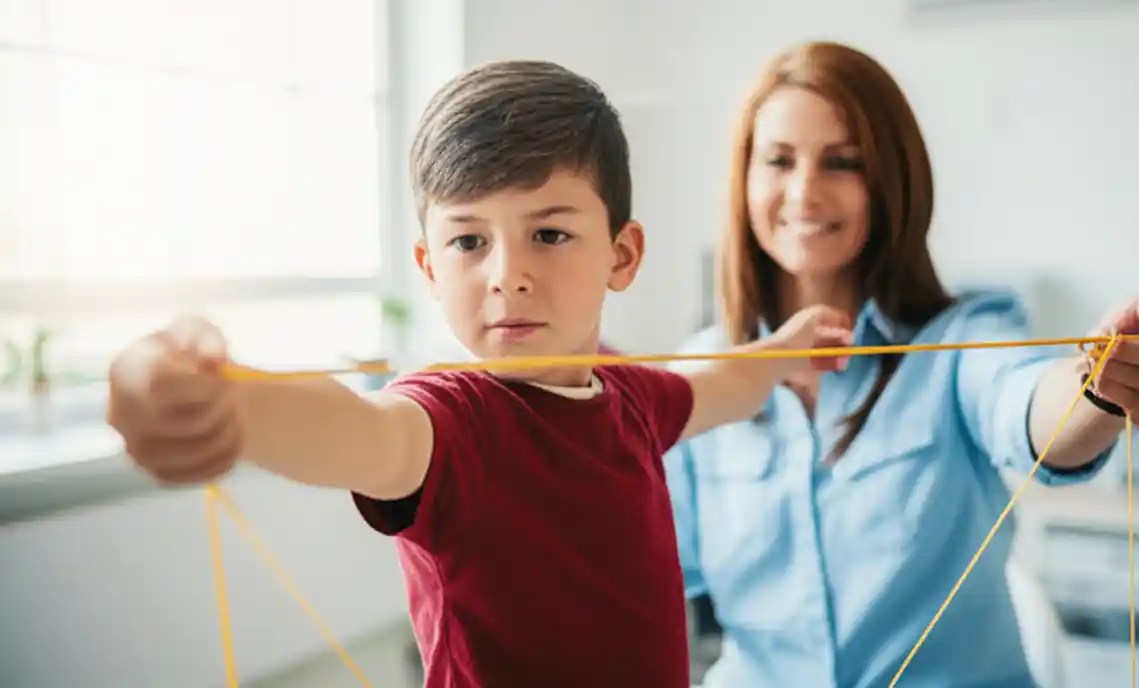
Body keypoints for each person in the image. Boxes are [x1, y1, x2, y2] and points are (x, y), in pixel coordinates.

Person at [105, 60, 854, 688]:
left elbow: (723, 388)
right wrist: (227, 400)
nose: (507, 275)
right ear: (429, 265)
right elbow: (358, 431)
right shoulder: (451, 423)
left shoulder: (627, 391)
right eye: (469, 241)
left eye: (550, 233)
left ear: (621, 255)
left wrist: (783, 352)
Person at [664, 41, 1139, 688]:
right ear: (744, 177)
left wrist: (1100, 386)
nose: (804, 192)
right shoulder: (697, 371)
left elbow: (1031, 404)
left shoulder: (962, 342)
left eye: (842, 163)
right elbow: (647, 569)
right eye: (779, 160)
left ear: (892, 183)